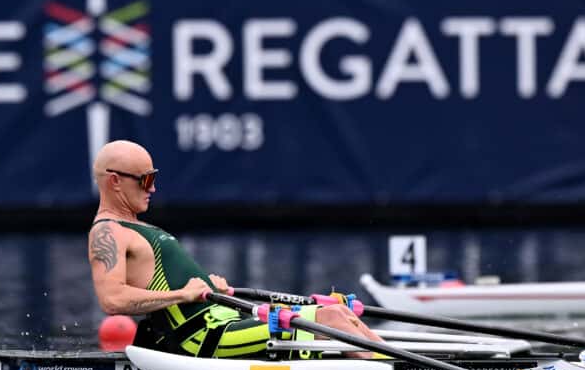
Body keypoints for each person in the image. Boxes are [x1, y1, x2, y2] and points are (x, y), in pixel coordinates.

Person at [87, 139, 383, 358]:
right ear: (115, 181)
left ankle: (397, 368)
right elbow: (112, 300)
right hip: (201, 338)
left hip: (223, 319)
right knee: (329, 320)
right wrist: (184, 294)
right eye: (146, 179)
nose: (152, 188)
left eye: (154, 178)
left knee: (338, 312)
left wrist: (209, 289)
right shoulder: (108, 232)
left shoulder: (138, 227)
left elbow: (175, 283)